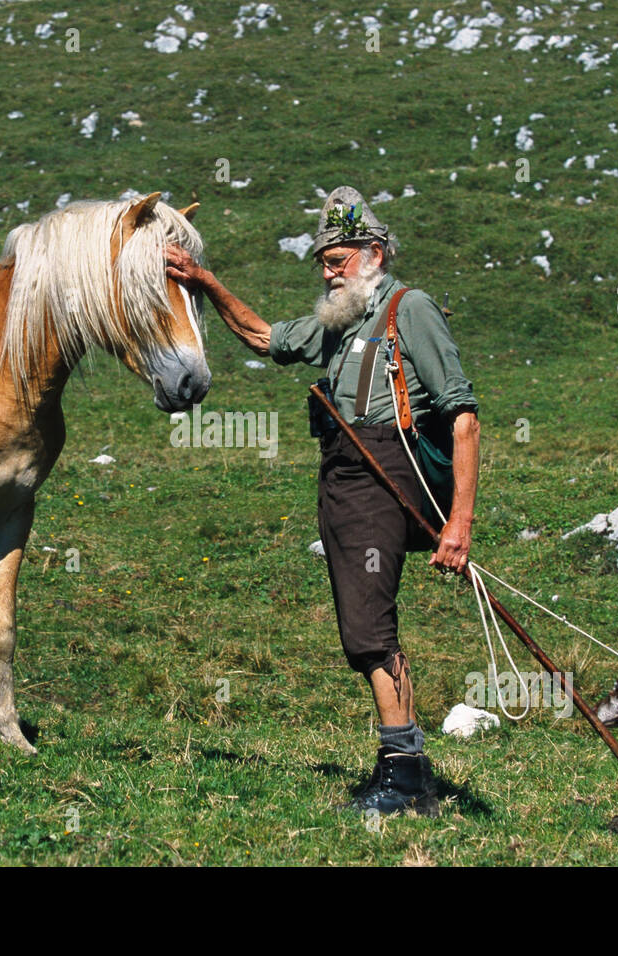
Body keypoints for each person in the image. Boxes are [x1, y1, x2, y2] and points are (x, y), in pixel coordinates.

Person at [165, 186, 480, 816]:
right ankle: (405, 767)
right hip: (344, 476)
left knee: (368, 626)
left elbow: (464, 416)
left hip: (385, 476)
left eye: (338, 260)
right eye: (324, 262)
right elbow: (263, 337)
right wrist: (203, 282)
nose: (329, 272)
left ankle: (406, 774)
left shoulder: (407, 310)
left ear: (375, 253)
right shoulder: (340, 322)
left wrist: (460, 524)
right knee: (362, 623)